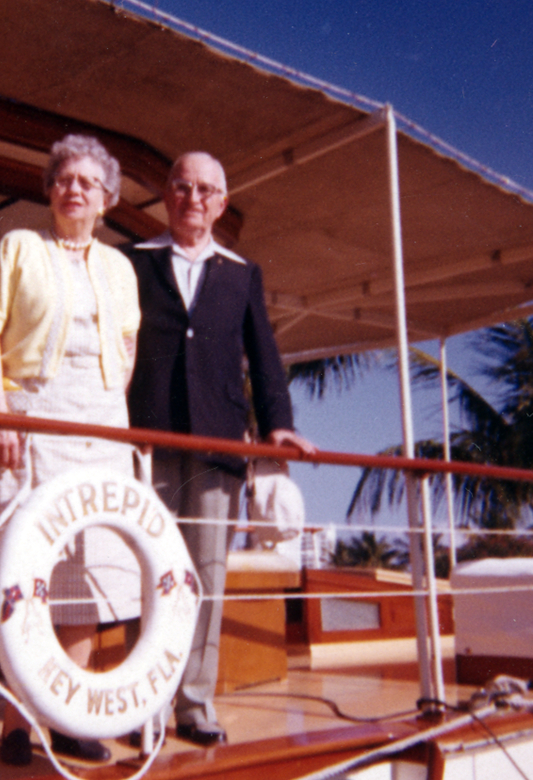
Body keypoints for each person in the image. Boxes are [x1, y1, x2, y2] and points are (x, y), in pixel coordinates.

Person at [0, 135, 141, 765]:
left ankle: (65, 720)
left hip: (100, 424)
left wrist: (110, 410)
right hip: (29, 418)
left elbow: (127, 345)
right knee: (25, 573)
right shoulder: (18, 247)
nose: (75, 189)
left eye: (89, 182)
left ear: (107, 199)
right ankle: (16, 719)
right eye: (65, 178)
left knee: (87, 574)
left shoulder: (120, 267)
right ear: (50, 189)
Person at [123, 151, 316, 746]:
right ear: (166, 195)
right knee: (146, 572)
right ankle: (143, 705)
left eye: (206, 190)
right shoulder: (132, 262)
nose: (193, 199)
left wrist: (278, 423)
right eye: (182, 187)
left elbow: (264, 355)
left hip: (217, 445)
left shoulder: (241, 273)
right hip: (147, 441)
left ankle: (194, 704)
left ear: (221, 203)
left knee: (204, 576)